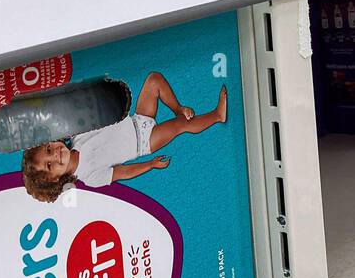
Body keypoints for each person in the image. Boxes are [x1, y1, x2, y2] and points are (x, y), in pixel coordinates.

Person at [21, 72, 227, 203]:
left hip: (137, 120)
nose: (55, 155)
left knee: (154, 80)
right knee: (182, 126)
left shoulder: (77, 138)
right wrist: (150, 165)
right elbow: (124, 172)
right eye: (50, 166)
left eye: (48, 149)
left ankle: (178, 108)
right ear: (57, 181)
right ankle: (217, 116)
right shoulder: (90, 176)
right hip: (144, 142)